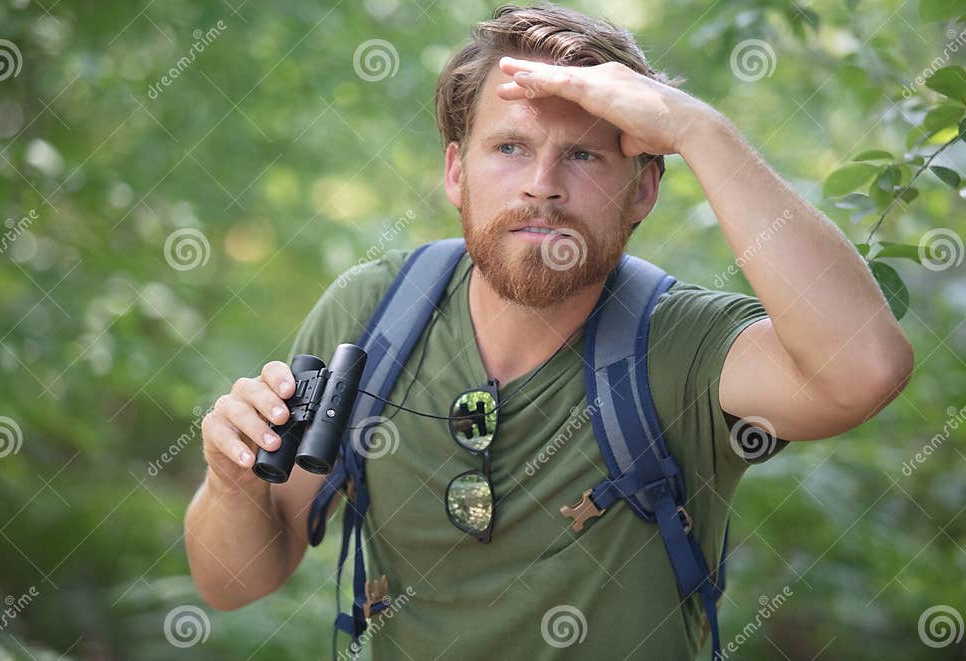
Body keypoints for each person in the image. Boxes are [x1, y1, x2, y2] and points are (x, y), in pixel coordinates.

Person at [184, 4, 914, 659]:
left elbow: (866, 368)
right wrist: (229, 480)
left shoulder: (683, 343)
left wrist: (697, 127)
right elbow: (232, 581)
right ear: (455, 173)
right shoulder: (375, 314)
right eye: (509, 149)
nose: (542, 183)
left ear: (644, 189)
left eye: (584, 154)